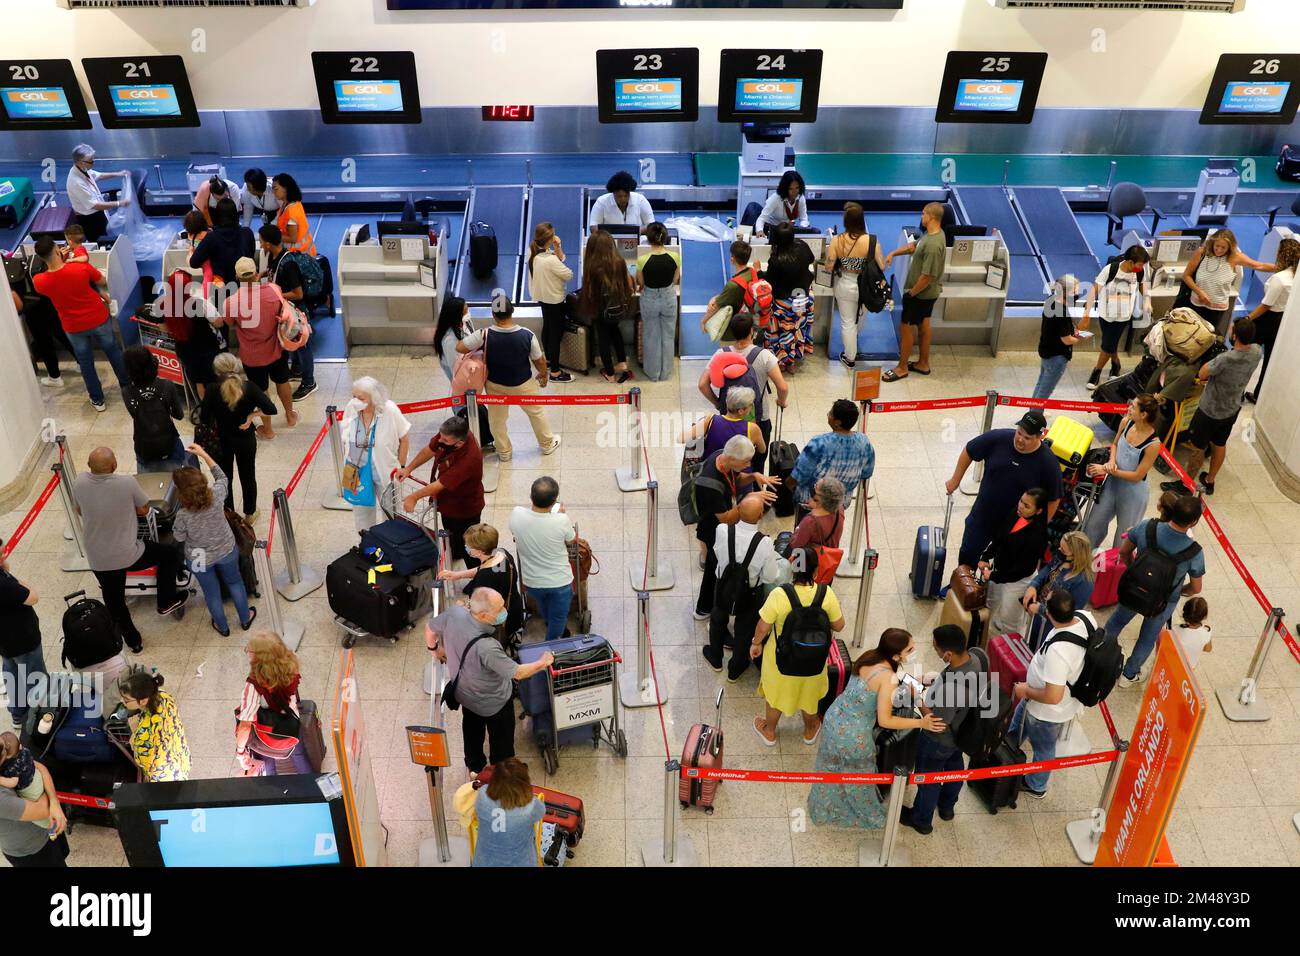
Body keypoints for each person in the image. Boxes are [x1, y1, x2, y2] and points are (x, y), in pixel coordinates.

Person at [807, 628, 942, 829]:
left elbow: (885, 686)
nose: (914, 652)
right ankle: (865, 816)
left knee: (831, 767)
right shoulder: (887, 676)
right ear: (896, 655)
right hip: (853, 735)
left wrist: (917, 683)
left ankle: (824, 808)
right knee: (859, 777)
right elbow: (886, 720)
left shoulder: (870, 657)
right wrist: (920, 722)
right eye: (909, 649)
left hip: (835, 719)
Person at [74, 447, 189, 652]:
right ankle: (165, 601)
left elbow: (79, 510)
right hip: (128, 554)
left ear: (89, 466)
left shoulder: (79, 482)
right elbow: (144, 509)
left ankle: (133, 641)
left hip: (97, 557)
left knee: (114, 601)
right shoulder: (126, 483)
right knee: (169, 554)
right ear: (114, 465)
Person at [428, 589, 553, 776]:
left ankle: (475, 769)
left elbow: (430, 629)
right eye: (500, 608)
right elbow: (517, 672)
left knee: (472, 734)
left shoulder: (454, 613)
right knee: (502, 746)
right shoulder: (487, 647)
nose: (504, 610)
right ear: (484, 615)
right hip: (496, 704)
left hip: (464, 694)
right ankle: (501, 772)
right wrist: (542, 663)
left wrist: (435, 650)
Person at [1105, 494, 1205, 687]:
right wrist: (1178, 592)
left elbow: (1124, 552)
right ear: (1193, 522)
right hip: (1163, 601)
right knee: (1148, 637)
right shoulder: (1194, 552)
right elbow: (1195, 588)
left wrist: (1135, 570)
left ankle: (1099, 650)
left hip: (1134, 588)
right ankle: (1129, 674)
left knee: (1117, 621)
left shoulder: (1146, 527)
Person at [750, 548, 847, 746]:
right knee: (810, 696)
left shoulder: (780, 594)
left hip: (781, 661)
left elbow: (763, 626)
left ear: (793, 569)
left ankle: (769, 731)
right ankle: (810, 730)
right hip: (814, 661)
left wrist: (756, 643)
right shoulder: (825, 594)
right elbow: (839, 625)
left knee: (775, 696)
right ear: (815, 571)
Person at [946, 409, 1063, 568]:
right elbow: (970, 450)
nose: (1020, 439)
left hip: (1015, 525)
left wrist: (1038, 527)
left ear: (1039, 437)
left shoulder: (1048, 463)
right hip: (983, 515)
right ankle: (960, 587)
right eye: (1019, 433)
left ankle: (986, 591)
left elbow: (1054, 499)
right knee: (968, 554)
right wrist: (955, 480)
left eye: (1027, 437)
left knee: (1002, 566)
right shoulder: (998, 438)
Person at [1160, 318, 1261, 497]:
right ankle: (1210, 480)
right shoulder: (1256, 352)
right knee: (1219, 444)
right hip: (1232, 408)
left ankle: (1186, 484)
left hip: (1210, 411)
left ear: (1235, 335)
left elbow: (1203, 373)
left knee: (1197, 447)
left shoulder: (1225, 359)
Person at [1009, 590, 1094, 798]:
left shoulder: (1059, 652)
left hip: (1047, 712)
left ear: (1049, 614)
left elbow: (1052, 696)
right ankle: (1005, 756)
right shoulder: (1085, 617)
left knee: (1043, 748)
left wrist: (1025, 690)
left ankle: (1036, 785)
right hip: (1044, 703)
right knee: (1014, 729)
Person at [31, 236, 128, 412]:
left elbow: (53, 279)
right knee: (113, 351)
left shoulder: (39, 281)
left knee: (86, 363)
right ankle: (127, 388)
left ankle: (97, 399)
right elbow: (102, 280)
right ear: (56, 250)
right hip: (98, 318)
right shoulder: (79, 268)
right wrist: (69, 261)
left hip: (73, 326)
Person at [901, 624, 981, 835]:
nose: (934, 651)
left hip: (939, 741)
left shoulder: (952, 690)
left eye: (936, 648)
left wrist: (915, 695)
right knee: (955, 770)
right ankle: (947, 808)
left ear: (948, 654)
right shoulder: (976, 658)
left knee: (928, 780)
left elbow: (936, 722)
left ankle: (921, 820)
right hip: (961, 732)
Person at [457, 295, 559, 460]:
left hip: (495, 385)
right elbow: (539, 360)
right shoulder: (527, 334)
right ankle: (547, 444)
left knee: (497, 420)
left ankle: (504, 452)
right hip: (523, 384)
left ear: (493, 314)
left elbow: (460, 347)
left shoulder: (484, 334)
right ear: (512, 312)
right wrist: (543, 375)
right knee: (536, 413)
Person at [171, 445, 256, 637]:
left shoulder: (183, 515)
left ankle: (222, 626)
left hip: (199, 556)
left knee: (211, 592)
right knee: (235, 583)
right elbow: (222, 477)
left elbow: (179, 538)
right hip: (225, 549)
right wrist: (202, 454)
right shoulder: (217, 496)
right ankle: (245, 618)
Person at [692, 436, 780, 621]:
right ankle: (704, 609)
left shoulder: (721, 456)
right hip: (713, 529)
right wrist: (749, 502)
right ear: (732, 458)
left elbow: (738, 478)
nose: (749, 464)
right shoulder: (710, 484)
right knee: (714, 570)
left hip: (723, 520)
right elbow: (724, 518)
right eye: (746, 461)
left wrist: (754, 476)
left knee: (716, 568)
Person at [705, 493, 785, 681]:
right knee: (744, 629)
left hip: (723, 585)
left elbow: (716, 552)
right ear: (760, 517)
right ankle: (736, 667)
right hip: (750, 593)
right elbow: (770, 576)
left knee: (717, 619)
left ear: (738, 510)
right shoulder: (764, 543)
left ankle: (715, 657)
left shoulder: (722, 530)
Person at [697, 312, 788, 473]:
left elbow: (703, 384)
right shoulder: (764, 355)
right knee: (757, 463)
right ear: (752, 332)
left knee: (731, 461)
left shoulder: (721, 354)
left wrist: (718, 403)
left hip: (729, 418)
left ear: (732, 332)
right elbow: (782, 387)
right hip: (759, 420)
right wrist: (782, 401)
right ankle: (754, 490)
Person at [218, 256, 298, 438]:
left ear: (237, 278)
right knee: (282, 381)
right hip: (276, 348)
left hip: (252, 355)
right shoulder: (274, 291)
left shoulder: (231, 302)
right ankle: (290, 415)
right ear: (255, 274)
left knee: (261, 392)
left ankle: (268, 430)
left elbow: (229, 323)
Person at [397, 415, 483, 565]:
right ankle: (454, 554)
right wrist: (409, 468)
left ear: (460, 443)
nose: (440, 441)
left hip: (465, 509)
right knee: (451, 536)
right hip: (447, 503)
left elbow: (440, 484)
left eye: (445, 440)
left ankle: (475, 578)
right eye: (441, 437)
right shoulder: (450, 433)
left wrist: (414, 497)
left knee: (470, 547)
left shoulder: (470, 459)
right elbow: (430, 449)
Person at [203, 353, 277, 519]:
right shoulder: (249, 387)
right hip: (245, 439)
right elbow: (271, 409)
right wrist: (252, 416)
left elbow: (203, 418)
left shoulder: (212, 389)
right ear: (237, 366)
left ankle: (229, 515)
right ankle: (249, 513)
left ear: (217, 371)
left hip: (221, 440)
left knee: (224, 478)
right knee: (248, 475)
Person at [1084, 393, 1162, 548]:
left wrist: (1107, 470)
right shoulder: (1126, 422)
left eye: (1133, 406)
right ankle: (1083, 561)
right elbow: (1114, 444)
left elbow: (1137, 476)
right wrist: (1111, 462)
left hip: (1133, 494)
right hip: (1113, 484)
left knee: (1123, 538)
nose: (1129, 408)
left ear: (1144, 414)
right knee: (1093, 525)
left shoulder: (1153, 444)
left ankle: (1116, 570)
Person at [338, 376, 412, 533]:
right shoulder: (352, 407)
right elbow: (345, 433)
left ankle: (390, 543)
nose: (355, 401)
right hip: (356, 471)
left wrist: (402, 466)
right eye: (354, 396)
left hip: (384, 471)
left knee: (391, 512)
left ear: (374, 398)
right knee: (361, 513)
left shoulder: (389, 410)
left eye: (361, 398)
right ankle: (366, 543)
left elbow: (404, 438)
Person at [883, 201, 946, 382]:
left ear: (931, 217)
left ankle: (902, 367)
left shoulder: (934, 245)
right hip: (928, 294)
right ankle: (923, 363)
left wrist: (911, 293)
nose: (921, 216)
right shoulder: (932, 235)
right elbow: (913, 247)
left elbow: (927, 276)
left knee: (905, 327)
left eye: (923, 214)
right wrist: (893, 253)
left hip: (920, 294)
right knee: (924, 324)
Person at [235, 633, 310, 776]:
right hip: (292, 723)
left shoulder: (254, 685)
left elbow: (245, 726)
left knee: (268, 763)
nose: (247, 653)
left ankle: (274, 792)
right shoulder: (291, 664)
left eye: (248, 650)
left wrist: (240, 751)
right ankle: (313, 789)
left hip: (267, 733)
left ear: (259, 657)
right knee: (299, 756)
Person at [978, 488, 1049, 637]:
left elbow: (1021, 570)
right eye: (1021, 501)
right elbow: (999, 538)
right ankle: (982, 637)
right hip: (999, 572)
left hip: (1018, 581)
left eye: (1027, 506)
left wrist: (994, 576)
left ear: (1039, 511)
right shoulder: (1015, 514)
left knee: (1010, 619)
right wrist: (985, 556)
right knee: (990, 602)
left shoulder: (1038, 537)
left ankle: (1007, 650)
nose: (1021, 507)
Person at [789, 399, 875, 523]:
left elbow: (799, 475)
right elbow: (866, 472)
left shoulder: (819, 443)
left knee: (806, 533)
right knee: (831, 533)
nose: (828, 415)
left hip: (812, 502)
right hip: (840, 504)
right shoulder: (864, 441)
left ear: (837, 423)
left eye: (830, 413)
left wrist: (787, 486)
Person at [824, 202, 887, 370]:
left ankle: (849, 357)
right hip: (866, 285)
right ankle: (855, 339)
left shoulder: (837, 240)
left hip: (845, 284)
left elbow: (829, 266)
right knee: (860, 317)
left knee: (847, 322)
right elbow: (882, 266)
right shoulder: (872, 240)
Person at [259, 222, 317, 401]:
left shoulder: (288, 263)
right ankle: (298, 370)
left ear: (268, 243)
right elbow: (272, 274)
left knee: (302, 345)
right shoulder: (273, 257)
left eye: (261, 241)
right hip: (286, 310)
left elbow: (298, 293)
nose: (260, 244)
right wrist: (260, 276)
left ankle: (309, 382)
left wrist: (275, 295)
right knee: (292, 343)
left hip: (296, 312)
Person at [438, 523, 525, 640]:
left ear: (478, 552)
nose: (465, 547)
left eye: (468, 545)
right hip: (513, 607)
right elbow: (484, 567)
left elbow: (476, 607)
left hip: (499, 622)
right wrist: (457, 575)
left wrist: (461, 605)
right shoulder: (501, 554)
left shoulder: (484, 579)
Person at [1083, 245, 1151, 389]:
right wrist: (1086, 313)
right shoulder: (1111, 270)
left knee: (1107, 346)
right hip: (1105, 313)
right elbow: (1094, 290)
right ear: (1131, 262)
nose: (1141, 267)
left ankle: (1096, 371)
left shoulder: (1139, 272)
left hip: (1123, 316)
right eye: (1140, 264)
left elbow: (1143, 285)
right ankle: (1116, 365)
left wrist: (1146, 300)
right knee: (1110, 343)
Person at [1180, 228, 1275, 330]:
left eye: (1223, 247)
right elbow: (1186, 276)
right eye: (1217, 246)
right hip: (1196, 305)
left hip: (1216, 310)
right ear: (1212, 243)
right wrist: (1199, 292)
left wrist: (1283, 268)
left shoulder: (1235, 257)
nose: (1219, 250)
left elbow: (1260, 266)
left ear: (1230, 247)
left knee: (1208, 337)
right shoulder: (1202, 252)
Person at [1242, 237, 1297, 404]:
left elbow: (1266, 305)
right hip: (1283, 320)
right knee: (1269, 361)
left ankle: (1237, 390)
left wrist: (1246, 319)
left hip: (1268, 319)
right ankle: (1259, 394)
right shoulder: (1295, 275)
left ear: (1281, 253)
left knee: (1242, 350)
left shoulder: (1279, 279)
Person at [579, 229, 637, 384]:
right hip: (618, 309)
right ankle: (623, 364)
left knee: (603, 339)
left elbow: (591, 294)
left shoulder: (593, 267)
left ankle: (610, 373)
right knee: (616, 332)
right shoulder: (619, 262)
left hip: (601, 311)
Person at [1021, 530, 1095, 650]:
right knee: (1032, 645)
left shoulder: (1084, 582)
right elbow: (1047, 569)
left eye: (1064, 550)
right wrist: (1033, 585)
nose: (1059, 550)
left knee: (1040, 651)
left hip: (1053, 626)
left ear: (1076, 555)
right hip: (1040, 614)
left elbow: (1070, 614)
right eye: (1060, 546)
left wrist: (1040, 609)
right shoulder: (1061, 558)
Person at [158, 269, 222, 400]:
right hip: (206, 349)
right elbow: (218, 323)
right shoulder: (199, 303)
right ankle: (218, 411)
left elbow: (164, 327)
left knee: (199, 382)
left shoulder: (164, 304)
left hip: (185, 351)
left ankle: (206, 412)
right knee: (212, 381)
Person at [0, 544, 46, 727]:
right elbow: (32, 597)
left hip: (4, 641)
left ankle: (18, 714)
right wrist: (15, 579)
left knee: (11, 673)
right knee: (35, 677)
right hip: (22, 639)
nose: (4, 556)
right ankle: (40, 716)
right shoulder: (3, 584)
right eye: (1, 554)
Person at [122, 345, 188, 473]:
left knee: (149, 486)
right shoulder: (166, 385)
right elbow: (179, 415)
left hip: (144, 448)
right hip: (170, 445)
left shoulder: (126, 392)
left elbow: (135, 414)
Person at [470, 757, 546, 867]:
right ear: (524, 784)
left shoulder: (482, 796)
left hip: (484, 862)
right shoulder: (530, 807)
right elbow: (541, 811)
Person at [762, 222, 817, 371]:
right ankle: (792, 361)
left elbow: (770, 281)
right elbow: (811, 259)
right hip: (801, 297)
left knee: (781, 332)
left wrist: (758, 271)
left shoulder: (776, 259)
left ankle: (779, 361)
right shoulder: (802, 246)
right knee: (796, 329)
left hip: (783, 302)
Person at [119, 671, 191, 783]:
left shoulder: (143, 735)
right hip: (180, 758)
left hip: (164, 776)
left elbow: (143, 762)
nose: (121, 701)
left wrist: (135, 732)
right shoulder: (164, 696)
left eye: (126, 699)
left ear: (143, 701)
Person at [527, 221, 575, 384]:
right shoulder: (549, 260)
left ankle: (547, 360)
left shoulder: (533, 252)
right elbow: (568, 274)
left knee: (547, 328)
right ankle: (555, 371)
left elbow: (560, 257)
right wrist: (556, 252)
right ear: (548, 239)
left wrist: (558, 246)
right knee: (555, 335)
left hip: (542, 298)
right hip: (555, 300)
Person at [635, 221, 681, 382]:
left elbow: (640, 283)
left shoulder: (642, 259)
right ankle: (665, 372)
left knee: (651, 335)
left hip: (650, 298)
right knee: (668, 335)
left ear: (648, 238)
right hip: (669, 297)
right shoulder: (675, 257)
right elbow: (675, 280)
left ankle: (653, 373)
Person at [0, 757, 66, 868]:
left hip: (48, 827)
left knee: (61, 856)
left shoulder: (4, 748)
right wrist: (52, 800)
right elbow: (44, 810)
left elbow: (39, 767)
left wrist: (54, 802)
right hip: (31, 850)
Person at [12, 270, 73, 388]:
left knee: (44, 343)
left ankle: (55, 376)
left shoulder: (5, 276)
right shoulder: (19, 263)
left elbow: (18, 304)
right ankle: (81, 362)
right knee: (61, 334)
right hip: (44, 302)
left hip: (30, 309)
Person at [1033, 274, 1087, 399]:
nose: (1077, 295)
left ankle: (1034, 411)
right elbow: (1067, 340)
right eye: (1074, 292)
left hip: (1046, 349)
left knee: (1041, 383)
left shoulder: (1051, 301)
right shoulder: (1060, 312)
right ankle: (1035, 415)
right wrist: (1082, 337)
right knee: (1045, 390)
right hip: (1056, 356)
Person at [64, 144, 128, 243]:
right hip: (90, 219)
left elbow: (99, 175)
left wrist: (118, 174)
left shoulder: (83, 169)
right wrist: (120, 203)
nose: (93, 163)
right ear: (81, 162)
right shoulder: (76, 182)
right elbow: (95, 205)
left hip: (98, 213)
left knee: (106, 233)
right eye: (91, 161)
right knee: (100, 241)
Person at [189, 197, 256, 286]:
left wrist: (191, 252)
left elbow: (194, 262)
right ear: (236, 215)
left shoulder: (211, 237)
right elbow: (251, 254)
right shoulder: (247, 233)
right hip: (247, 285)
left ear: (216, 216)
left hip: (223, 289)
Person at [701, 240, 758, 328]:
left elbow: (716, 306)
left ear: (732, 259)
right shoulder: (753, 272)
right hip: (751, 325)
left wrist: (703, 321)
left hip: (734, 330)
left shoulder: (733, 285)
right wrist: (716, 297)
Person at [1, 733, 50, 833]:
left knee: (42, 818)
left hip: (29, 789)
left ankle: (50, 827)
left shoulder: (11, 767)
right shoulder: (24, 750)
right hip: (37, 776)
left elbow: (13, 783)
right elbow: (39, 765)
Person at [789, 477, 846, 552]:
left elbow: (795, 545)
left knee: (784, 536)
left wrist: (797, 530)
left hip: (812, 560)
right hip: (830, 555)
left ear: (819, 498)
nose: (813, 488)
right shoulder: (840, 509)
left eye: (815, 487)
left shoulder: (810, 521)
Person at [589, 170, 654, 228]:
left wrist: (636, 232)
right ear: (613, 193)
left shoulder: (640, 200)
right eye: (619, 196)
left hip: (637, 240)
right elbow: (593, 227)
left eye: (626, 196)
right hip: (609, 240)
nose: (623, 199)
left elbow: (651, 225)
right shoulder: (601, 202)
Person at [272, 173, 316, 256]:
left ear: (285, 188)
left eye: (276, 189)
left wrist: (272, 237)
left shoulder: (291, 211)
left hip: (302, 256)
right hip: (295, 252)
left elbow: (293, 238)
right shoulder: (286, 204)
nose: (273, 192)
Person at [755, 170, 809, 235]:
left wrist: (802, 230)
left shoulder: (800, 197)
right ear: (785, 188)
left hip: (787, 229)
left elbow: (804, 218)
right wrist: (759, 230)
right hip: (772, 227)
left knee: (816, 231)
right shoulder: (776, 198)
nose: (794, 192)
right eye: (790, 189)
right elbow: (762, 218)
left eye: (797, 188)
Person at [1172, 596, 1212, 669]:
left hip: (1173, 662)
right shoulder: (1206, 632)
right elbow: (1208, 649)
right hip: (1190, 667)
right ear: (1204, 616)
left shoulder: (1175, 629)